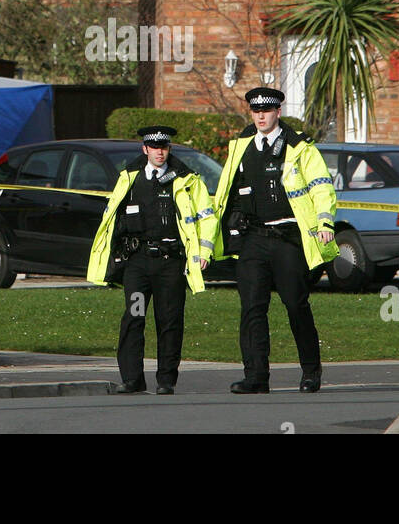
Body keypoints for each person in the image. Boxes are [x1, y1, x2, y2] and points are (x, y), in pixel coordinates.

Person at [212, 87, 338, 393]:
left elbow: (321, 186)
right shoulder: (241, 145)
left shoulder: (299, 146)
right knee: (252, 307)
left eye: (266, 111)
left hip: (287, 237)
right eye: (256, 111)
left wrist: (324, 221)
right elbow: (230, 188)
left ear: (277, 112)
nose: (261, 116)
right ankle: (256, 376)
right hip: (253, 238)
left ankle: (310, 372)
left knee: (295, 304)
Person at [87, 126, 217, 394]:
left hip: (170, 262)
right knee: (134, 317)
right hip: (138, 263)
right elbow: (114, 218)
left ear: (169, 149)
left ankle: (166, 380)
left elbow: (207, 217)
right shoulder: (130, 178)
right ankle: (133, 378)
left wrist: (203, 252)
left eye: (164, 147)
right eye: (154, 147)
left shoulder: (187, 179)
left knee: (169, 321)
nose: (160, 152)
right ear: (144, 149)